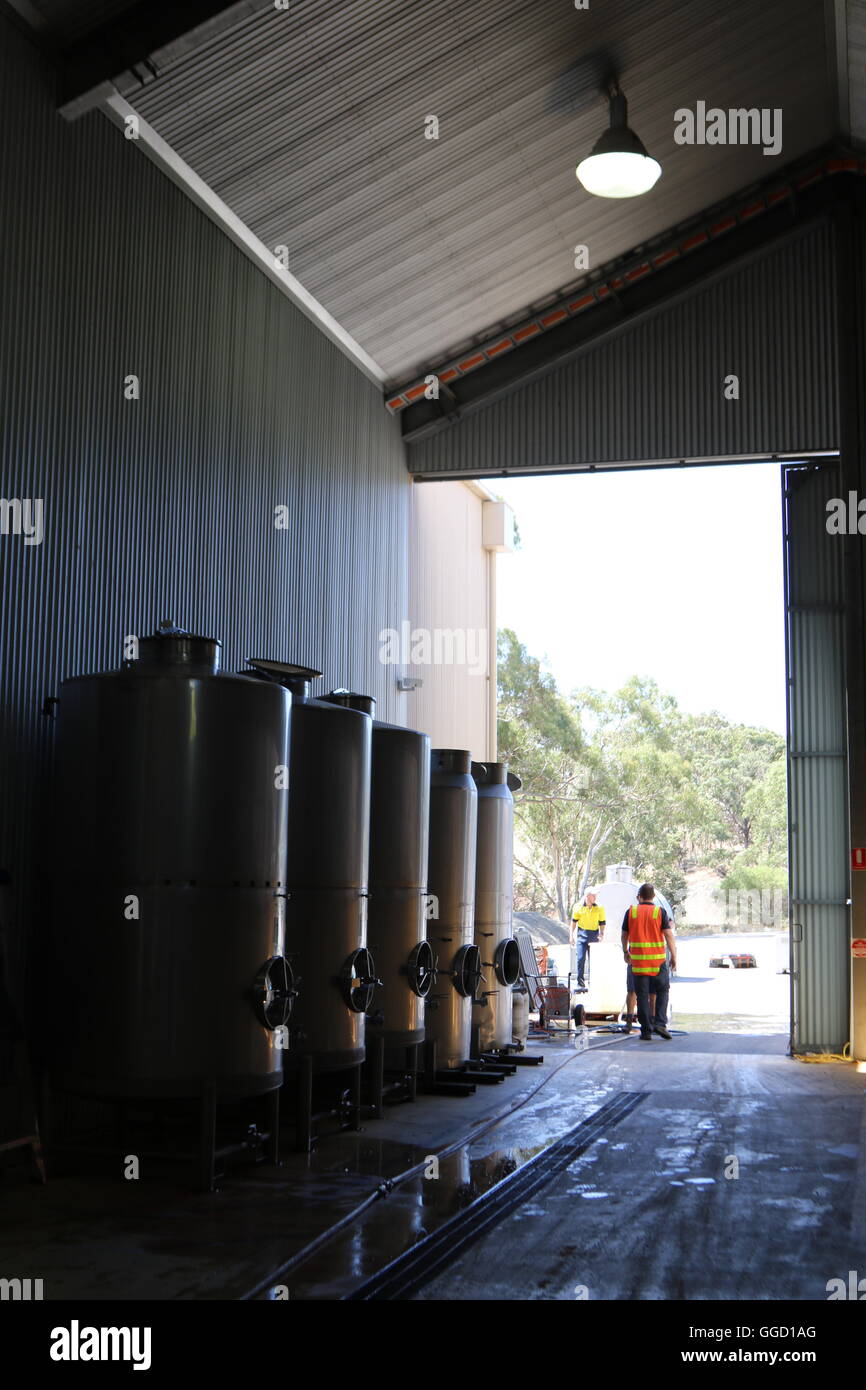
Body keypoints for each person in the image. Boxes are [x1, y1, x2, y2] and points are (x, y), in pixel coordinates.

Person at [621, 882, 676, 1040]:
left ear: (639, 896)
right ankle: (659, 1023)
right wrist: (674, 956)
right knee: (662, 991)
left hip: (638, 964)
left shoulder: (631, 912)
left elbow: (624, 935)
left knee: (642, 996)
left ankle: (645, 1031)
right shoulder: (659, 912)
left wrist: (625, 952)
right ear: (653, 897)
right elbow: (668, 935)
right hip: (658, 963)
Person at [571, 889, 606, 992]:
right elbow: (573, 922)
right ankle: (580, 984)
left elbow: (602, 922)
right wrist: (571, 936)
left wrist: (601, 933)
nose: (595, 898)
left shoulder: (599, 908)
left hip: (593, 937)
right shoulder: (578, 907)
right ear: (587, 896)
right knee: (580, 960)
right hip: (581, 937)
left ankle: (593, 983)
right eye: (593, 896)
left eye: (596, 896)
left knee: (593, 962)